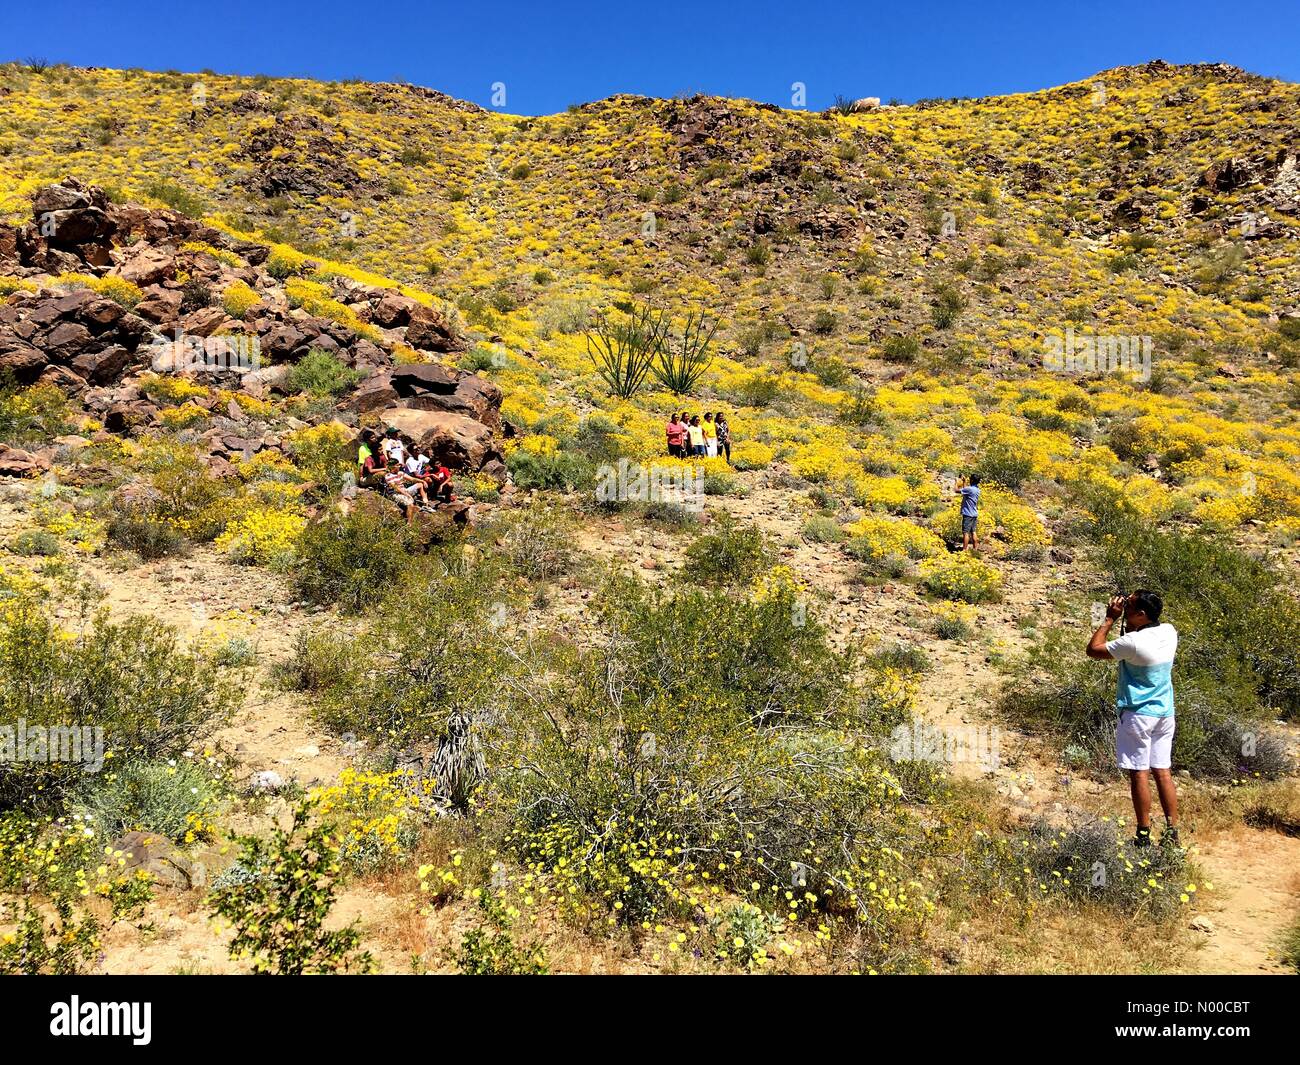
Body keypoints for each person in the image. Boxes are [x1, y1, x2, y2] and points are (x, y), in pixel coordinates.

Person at [1086, 590, 1179, 849]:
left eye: (1130, 606)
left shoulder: (1134, 644)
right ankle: (1173, 832)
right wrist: (1127, 616)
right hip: (1164, 713)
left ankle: (1143, 834)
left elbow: (1093, 650)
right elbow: (1134, 639)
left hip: (1138, 714)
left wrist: (1109, 619)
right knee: (1163, 772)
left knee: (1139, 774)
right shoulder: (1169, 631)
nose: (1125, 608)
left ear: (1141, 615)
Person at [955, 473, 981, 552]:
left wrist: (956, 482)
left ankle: (964, 550)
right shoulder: (976, 489)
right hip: (974, 513)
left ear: (972, 480)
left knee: (965, 533)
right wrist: (964, 482)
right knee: (973, 532)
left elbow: (956, 490)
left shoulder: (969, 489)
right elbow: (965, 490)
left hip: (968, 514)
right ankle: (975, 549)